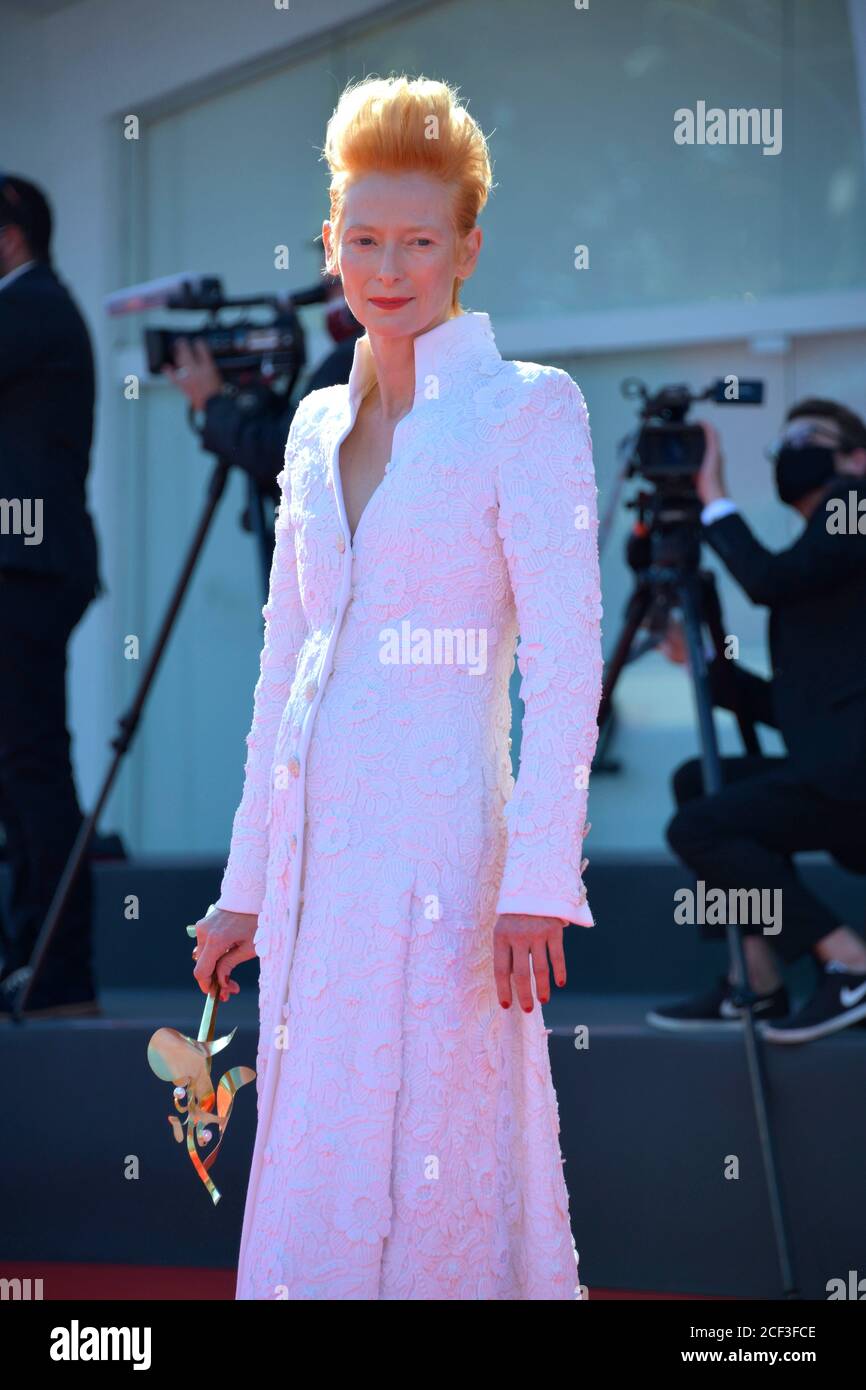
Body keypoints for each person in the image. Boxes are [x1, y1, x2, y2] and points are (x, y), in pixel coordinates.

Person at [190, 74, 602, 1300]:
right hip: (319, 867)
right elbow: (283, 668)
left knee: (439, 1141)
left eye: (418, 240)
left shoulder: (526, 408)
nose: (389, 265)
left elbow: (569, 657)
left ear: (467, 246)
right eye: (363, 238)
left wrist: (541, 877)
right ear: (328, 243)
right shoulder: (312, 424)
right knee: (317, 1128)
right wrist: (243, 890)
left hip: (447, 862)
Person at [649, 402, 866, 1043]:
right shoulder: (836, 563)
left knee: (698, 828)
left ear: (858, 458)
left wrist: (713, 497)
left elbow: (769, 579)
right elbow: (801, 708)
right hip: (838, 768)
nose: (792, 452)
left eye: (811, 440)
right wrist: (710, 670)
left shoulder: (855, 506)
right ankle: (758, 980)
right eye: (785, 443)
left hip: (852, 782)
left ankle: (851, 965)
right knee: (700, 784)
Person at [0, 174, 104, 1020]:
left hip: (25, 567)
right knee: (20, 767)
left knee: (29, 765)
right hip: (26, 562)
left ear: (10, 237)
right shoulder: (35, 306)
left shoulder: (29, 308)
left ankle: (55, 970)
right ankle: (34, 959)